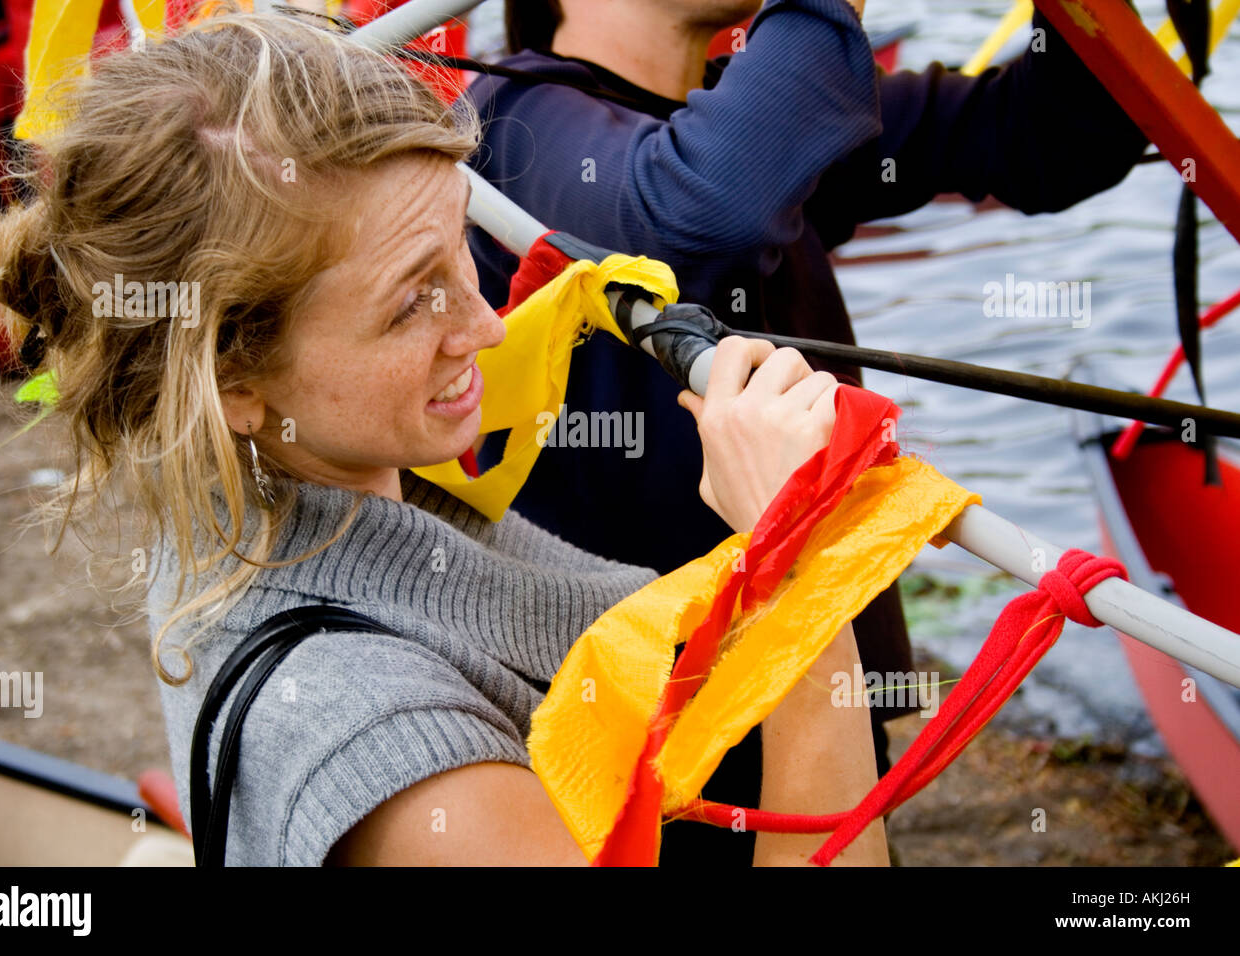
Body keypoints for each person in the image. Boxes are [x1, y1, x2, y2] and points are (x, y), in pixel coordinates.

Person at [0, 9, 887, 866]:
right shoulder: (402, 762)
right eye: (414, 299)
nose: (488, 326)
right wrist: (801, 583)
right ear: (234, 381)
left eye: (463, 249)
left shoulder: (246, 482)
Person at [465, 0, 1151, 864]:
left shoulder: (731, 112)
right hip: (642, 734)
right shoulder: (510, 125)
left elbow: (1052, 140)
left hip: (813, 692)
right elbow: (700, 217)